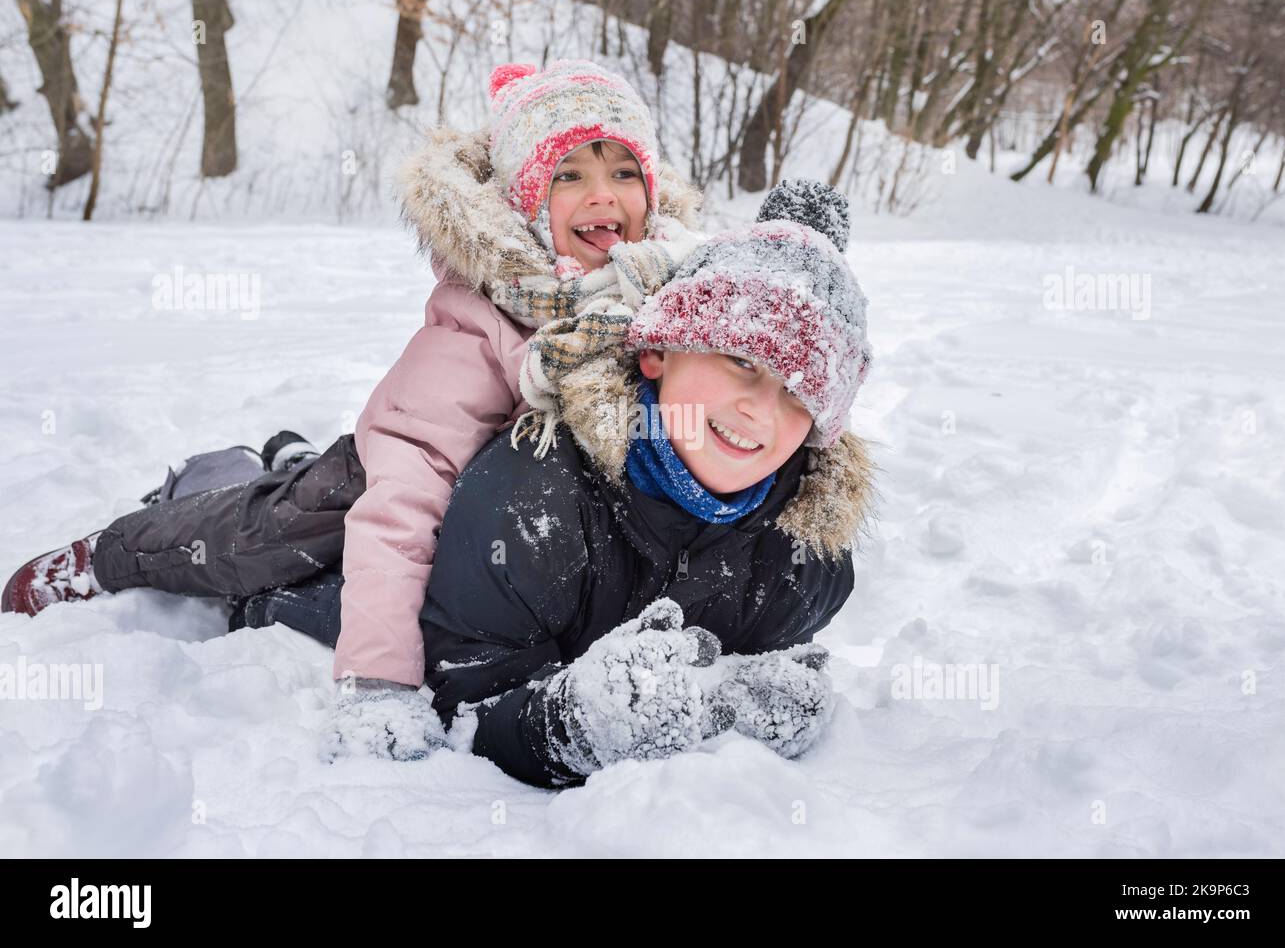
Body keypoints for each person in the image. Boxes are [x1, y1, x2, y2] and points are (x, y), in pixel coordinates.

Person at [1, 60, 703, 761]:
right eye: (569, 176)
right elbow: (400, 510)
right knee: (251, 540)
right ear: (524, 199)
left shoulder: (658, 292)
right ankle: (118, 551)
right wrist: (378, 682)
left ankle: (272, 461)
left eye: (623, 172)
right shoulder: (483, 327)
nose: (601, 196)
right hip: (367, 488)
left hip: (473, 528)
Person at [265, 179, 876, 786]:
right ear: (657, 352)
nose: (759, 413)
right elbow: (463, 688)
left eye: (798, 392)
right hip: (361, 560)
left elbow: (730, 671)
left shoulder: (804, 558)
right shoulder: (536, 500)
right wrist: (571, 725)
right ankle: (261, 464)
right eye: (741, 362)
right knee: (267, 528)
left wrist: (735, 707)